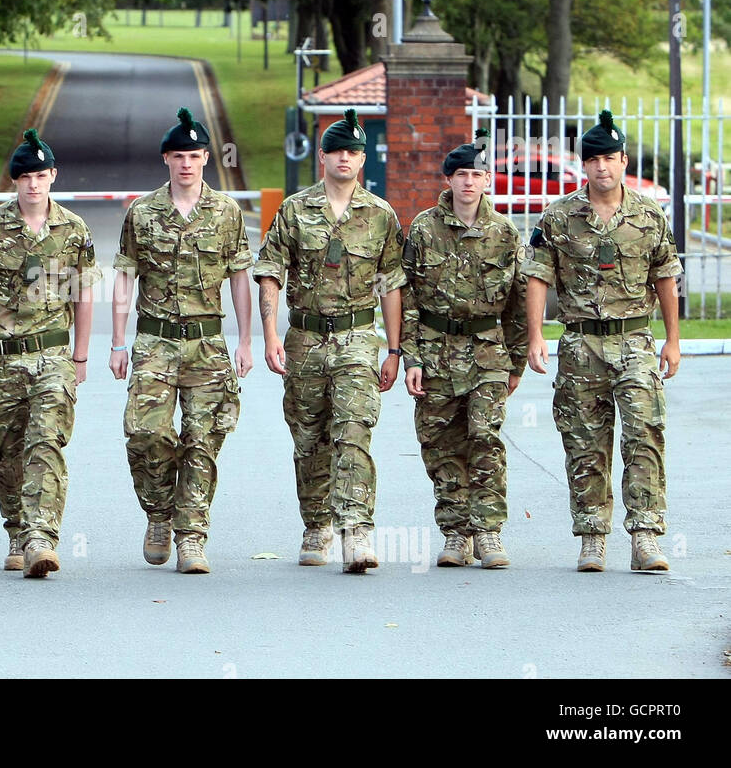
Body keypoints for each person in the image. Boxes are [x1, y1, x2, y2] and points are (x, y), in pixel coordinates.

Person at [524, 110, 682, 573]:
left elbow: (666, 277)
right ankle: (592, 535)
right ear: (583, 166)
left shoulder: (649, 215)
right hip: (580, 346)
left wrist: (673, 340)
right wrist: (535, 334)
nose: (602, 168)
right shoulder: (559, 217)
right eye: (594, 160)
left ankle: (646, 536)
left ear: (624, 161)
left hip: (634, 341)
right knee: (584, 442)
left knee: (644, 436)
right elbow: (538, 277)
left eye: (610, 159)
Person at [254, 108, 404, 574]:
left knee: (354, 430)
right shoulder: (295, 210)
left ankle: (356, 531)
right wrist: (271, 333)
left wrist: (395, 350)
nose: (345, 157)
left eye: (354, 151)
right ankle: (316, 524)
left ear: (362, 160)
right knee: (309, 439)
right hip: (304, 336)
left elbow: (392, 282)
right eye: (337, 150)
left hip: (358, 337)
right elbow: (270, 271)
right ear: (322, 156)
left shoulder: (380, 216)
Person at [110, 107, 253, 575]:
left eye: (194, 155)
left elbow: (238, 278)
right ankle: (158, 514)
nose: (186, 163)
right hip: (154, 342)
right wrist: (117, 341)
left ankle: (192, 535)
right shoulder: (143, 212)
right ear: (166, 160)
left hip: (207, 345)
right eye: (178, 156)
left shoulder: (226, 212)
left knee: (203, 439)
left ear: (207, 159)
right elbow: (125, 275)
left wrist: (245, 340)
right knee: (145, 432)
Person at [0, 128, 98, 579]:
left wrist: (81, 356)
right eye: (25, 177)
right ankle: (17, 530)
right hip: (1, 359)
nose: (33, 183)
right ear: (14, 182)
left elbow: (83, 295)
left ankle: (41, 538)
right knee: (5, 449)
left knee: (46, 441)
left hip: (53, 353)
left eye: (40, 174)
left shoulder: (72, 230)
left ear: (53, 175)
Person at [401, 128, 527, 569]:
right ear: (449, 181)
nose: (469, 182)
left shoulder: (505, 234)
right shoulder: (423, 229)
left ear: (488, 180)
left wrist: (517, 362)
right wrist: (411, 357)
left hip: (488, 352)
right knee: (440, 442)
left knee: (485, 439)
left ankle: (489, 532)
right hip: (435, 352)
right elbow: (408, 297)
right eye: (461, 175)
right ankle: (456, 532)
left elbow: (517, 302)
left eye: (476, 174)